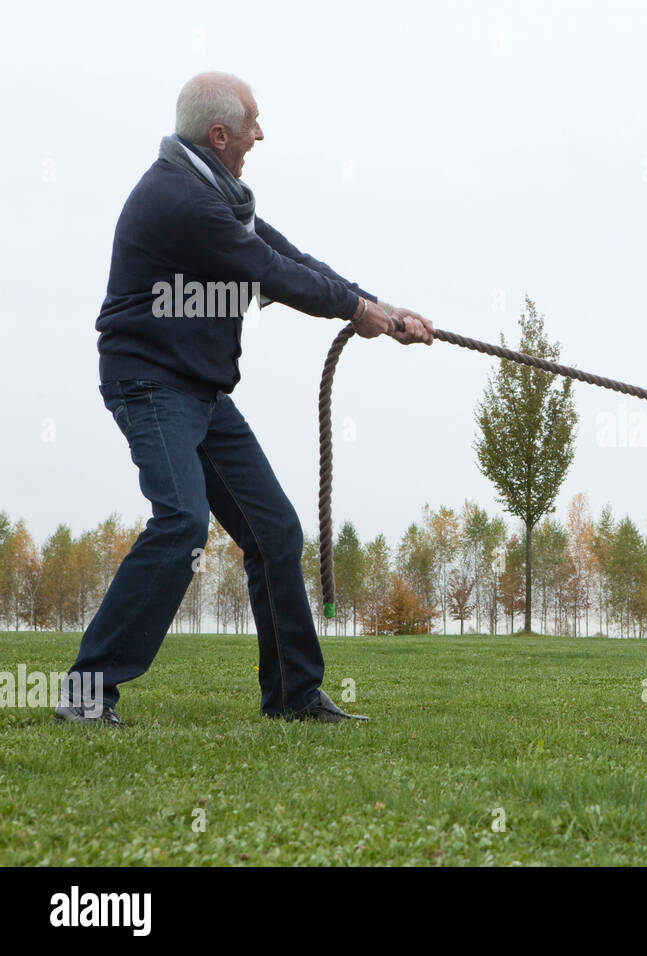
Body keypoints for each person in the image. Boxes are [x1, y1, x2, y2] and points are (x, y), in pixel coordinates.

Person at [54, 72, 435, 726]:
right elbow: (272, 274)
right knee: (180, 524)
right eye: (253, 124)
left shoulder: (219, 196)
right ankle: (84, 698)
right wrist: (361, 312)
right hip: (150, 383)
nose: (262, 134)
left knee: (274, 531)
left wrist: (381, 305)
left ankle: (294, 696)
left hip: (199, 392)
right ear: (220, 133)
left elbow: (291, 255)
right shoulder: (182, 202)